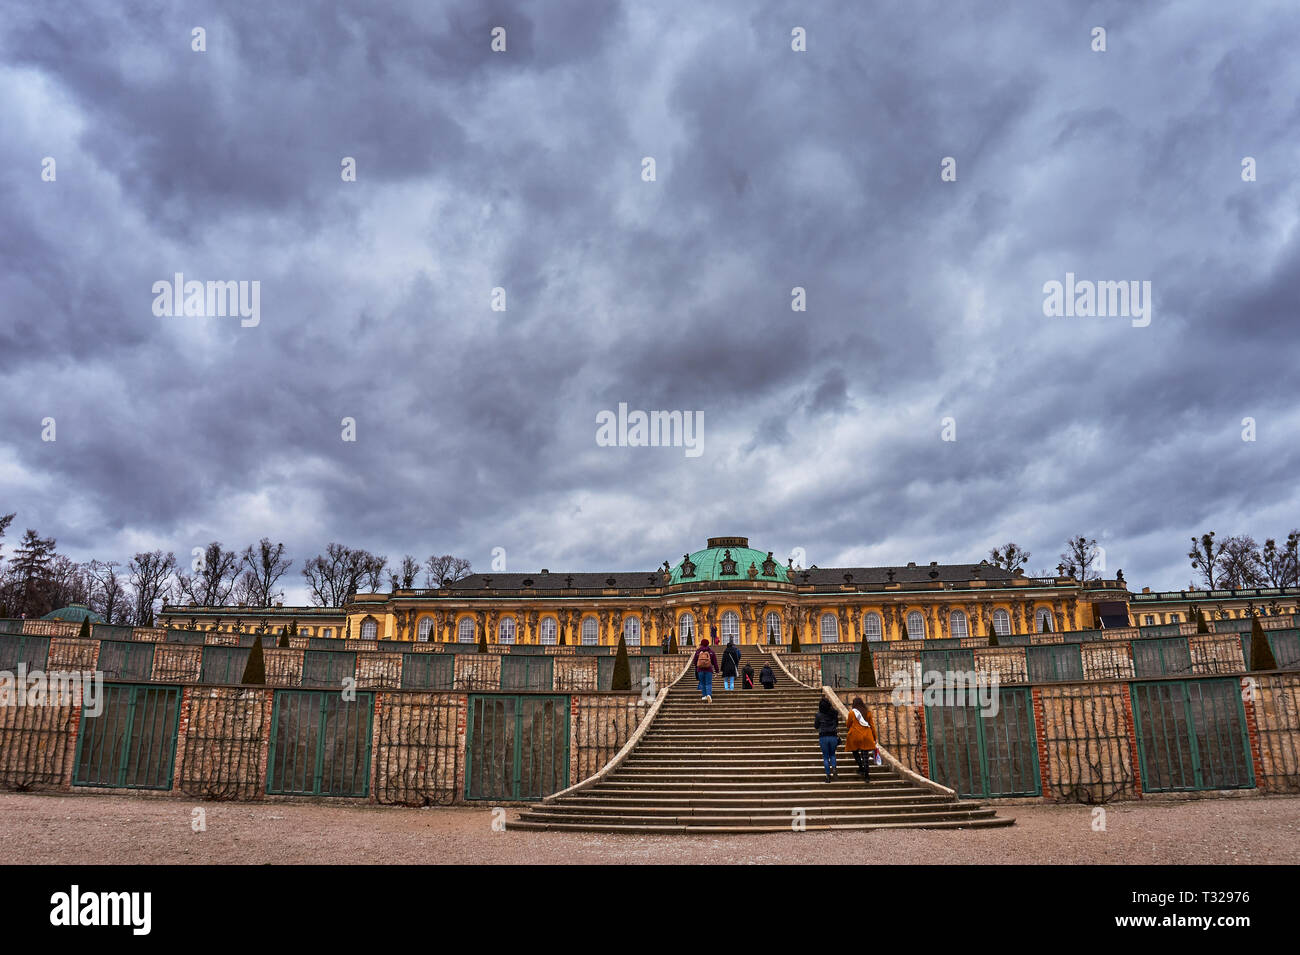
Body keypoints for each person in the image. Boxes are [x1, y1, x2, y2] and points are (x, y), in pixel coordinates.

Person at [845, 696, 878, 783]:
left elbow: (848, 725)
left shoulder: (852, 713)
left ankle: (861, 767)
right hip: (866, 736)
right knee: (865, 755)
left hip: (855, 736)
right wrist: (874, 737)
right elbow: (872, 726)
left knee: (855, 751)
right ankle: (867, 775)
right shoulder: (868, 712)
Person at [814, 697, 840, 782]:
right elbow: (836, 724)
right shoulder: (834, 713)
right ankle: (834, 768)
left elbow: (816, 726)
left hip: (823, 737)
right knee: (832, 754)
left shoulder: (818, 715)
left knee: (825, 757)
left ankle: (828, 776)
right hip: (833, 736)